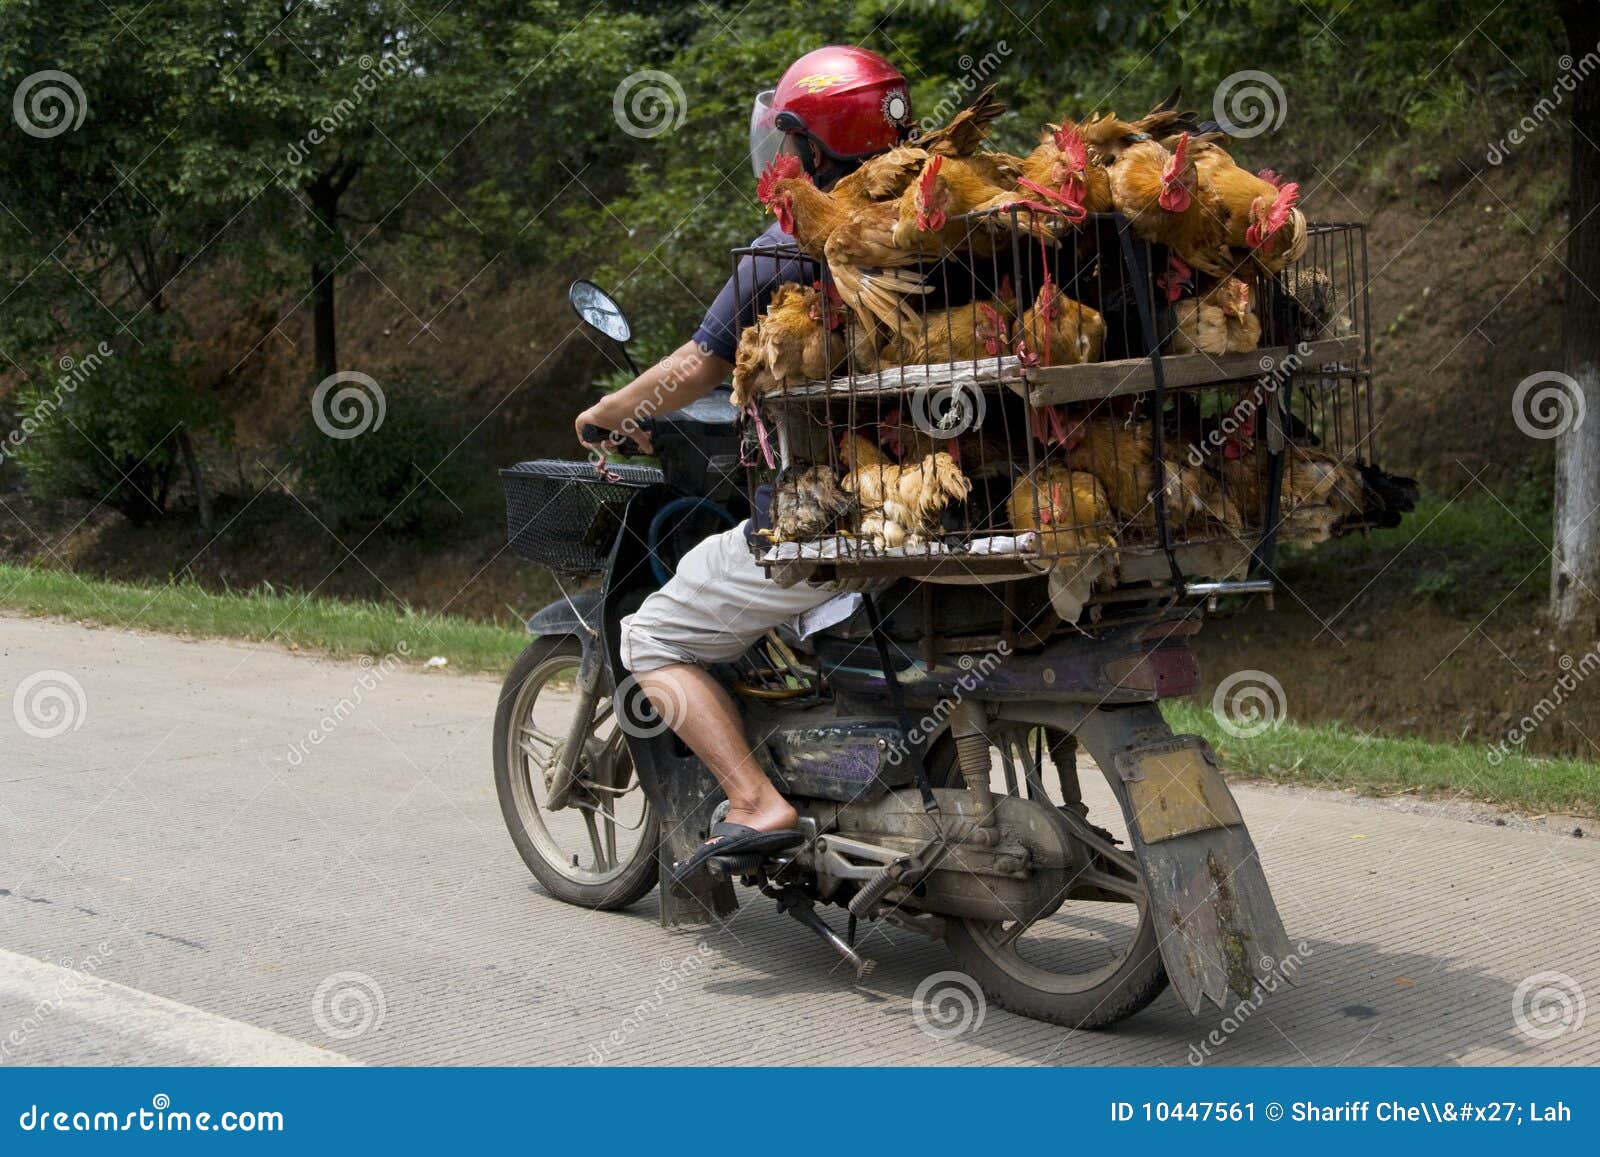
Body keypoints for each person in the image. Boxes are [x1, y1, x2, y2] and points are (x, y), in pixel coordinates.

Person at [573, 46, 913, 875]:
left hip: (830, 516)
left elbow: (698, 365)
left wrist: (609, 412)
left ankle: (758, 803)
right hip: (933, 497)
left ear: (814, 149)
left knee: (647, 633)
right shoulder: (933, 224)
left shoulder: (790, 245)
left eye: (793, 142)